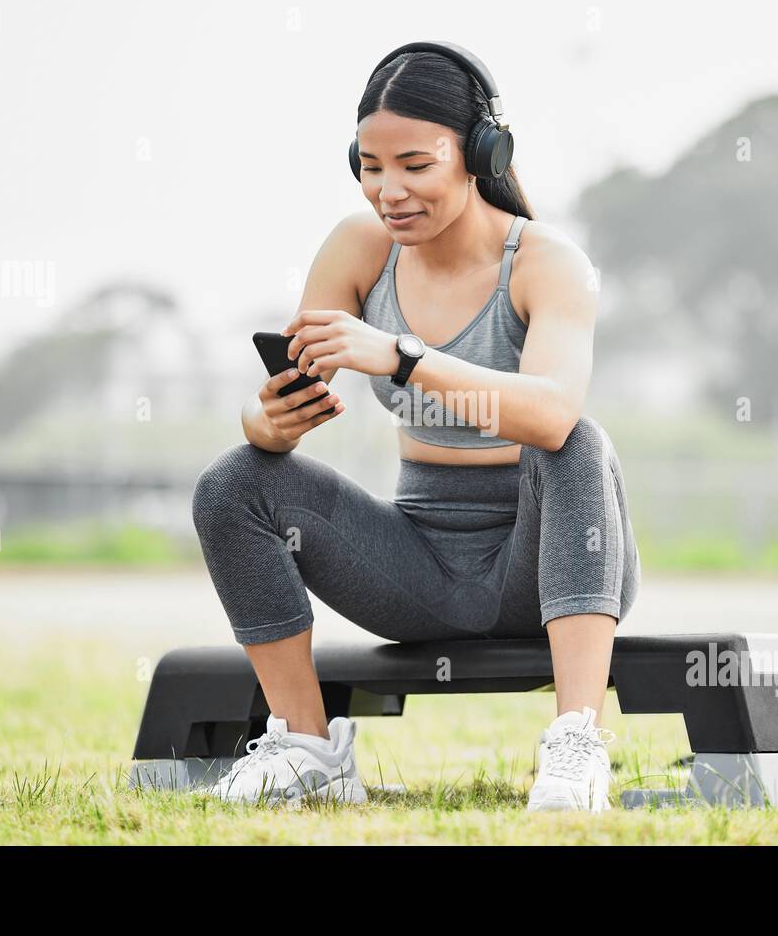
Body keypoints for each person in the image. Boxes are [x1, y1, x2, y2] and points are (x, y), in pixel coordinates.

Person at [191, 45, 640, 812]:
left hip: (542, 563)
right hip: (416, 569)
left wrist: (403, 356)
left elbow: (551, 412)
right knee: (231, 483)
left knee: (580, 442)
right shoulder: (358, 249)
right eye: (369, 166)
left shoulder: (547, 264)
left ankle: (575, 743)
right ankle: (307, 745)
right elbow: (276, 403)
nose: (387, 191)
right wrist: (266, 421)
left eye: (413, 165)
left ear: (480, 155)